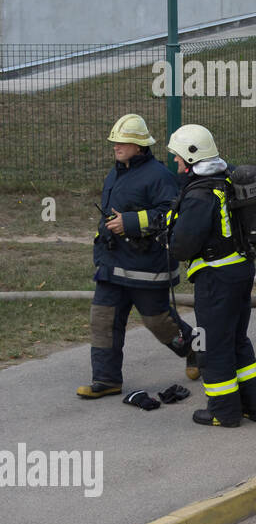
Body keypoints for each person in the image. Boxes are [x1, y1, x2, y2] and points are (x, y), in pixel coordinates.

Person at [77, 114, 198, 400]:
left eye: (123, 142)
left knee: (160, 323)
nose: (117, 146)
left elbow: (171, 215)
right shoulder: (116, 172)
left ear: (140, 146)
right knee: (103, 320)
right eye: (115, 142)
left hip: (146, 267)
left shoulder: (160, 177)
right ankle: (106, 380)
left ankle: (194, 347)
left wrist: (130, 223)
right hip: (112, 264)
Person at [164, 124, 256, 428]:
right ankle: (254, 405)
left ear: (191, 156)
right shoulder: (226, 178)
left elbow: (184, 245)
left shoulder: (199, 194)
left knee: (212, 344)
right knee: (237, 339)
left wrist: (168, 238)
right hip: (241, 271)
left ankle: (223, 412)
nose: (175, 162)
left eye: (178, 157)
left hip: (216, 279)